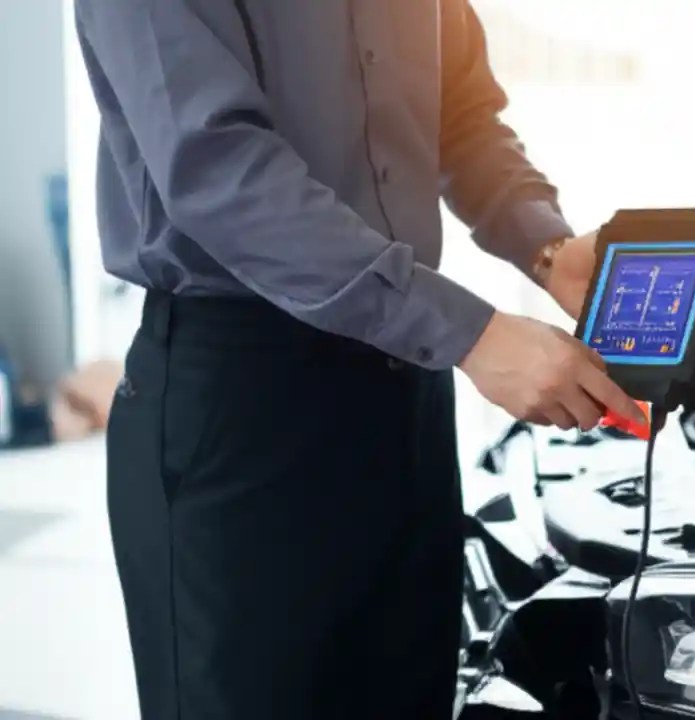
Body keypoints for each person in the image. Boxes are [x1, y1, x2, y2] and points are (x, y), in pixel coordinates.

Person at [73, 1, 653, 718]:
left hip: (407, 400)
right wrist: (472, 333)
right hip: (243, 413)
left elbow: (461, 114)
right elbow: (219, 170)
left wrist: (546, 247)